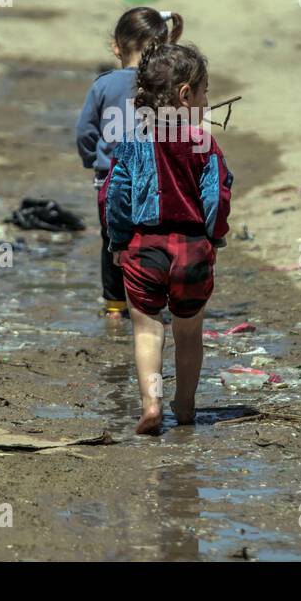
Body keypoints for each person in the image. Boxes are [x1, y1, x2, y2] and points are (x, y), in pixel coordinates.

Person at [103, 43, 233, 434]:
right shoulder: (203, 142)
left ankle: (152, 404)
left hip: (144, 249)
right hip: (192, 248)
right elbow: (217, 196)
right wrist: (214, 238)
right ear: (185, 95)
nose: (208, 101)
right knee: (189, 334)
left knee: (147, 330)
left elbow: (117, 196)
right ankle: (187, 406)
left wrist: (119, 243)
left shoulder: (133, 139)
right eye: (205, 91)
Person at [76, 7, 185, 326]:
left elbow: (85, 131)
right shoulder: (166, 86)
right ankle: (152, 302)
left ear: (116, 45)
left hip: (109, 179)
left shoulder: (104, 85)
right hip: (155, 179)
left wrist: (93, 161)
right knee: (153, 237)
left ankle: (114, 308)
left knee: (113, 241)